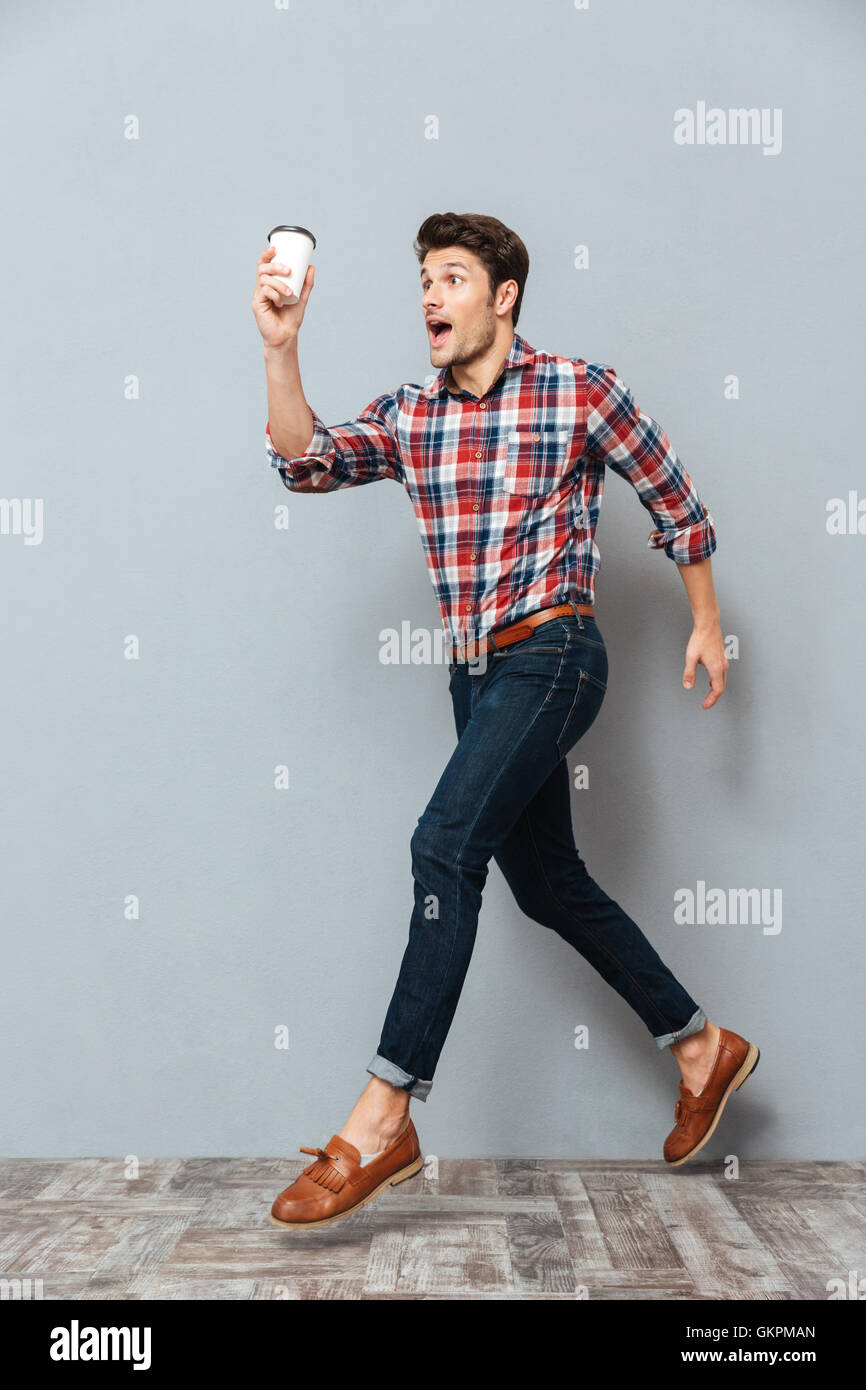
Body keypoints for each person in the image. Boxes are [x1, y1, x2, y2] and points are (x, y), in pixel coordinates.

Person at [252, 211, 759, 1231]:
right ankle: (701, 1045)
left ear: (503, 294)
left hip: (555, 649)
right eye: (423, 282)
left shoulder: (575, 388)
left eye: (449, 278)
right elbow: (304, 460)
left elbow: (674, 501)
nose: (430, 298)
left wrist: (703, 623)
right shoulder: (412, 412)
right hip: (475, 678)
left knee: (442, 845)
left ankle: (382, 1113)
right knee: (544, 882)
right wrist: (281, 346)